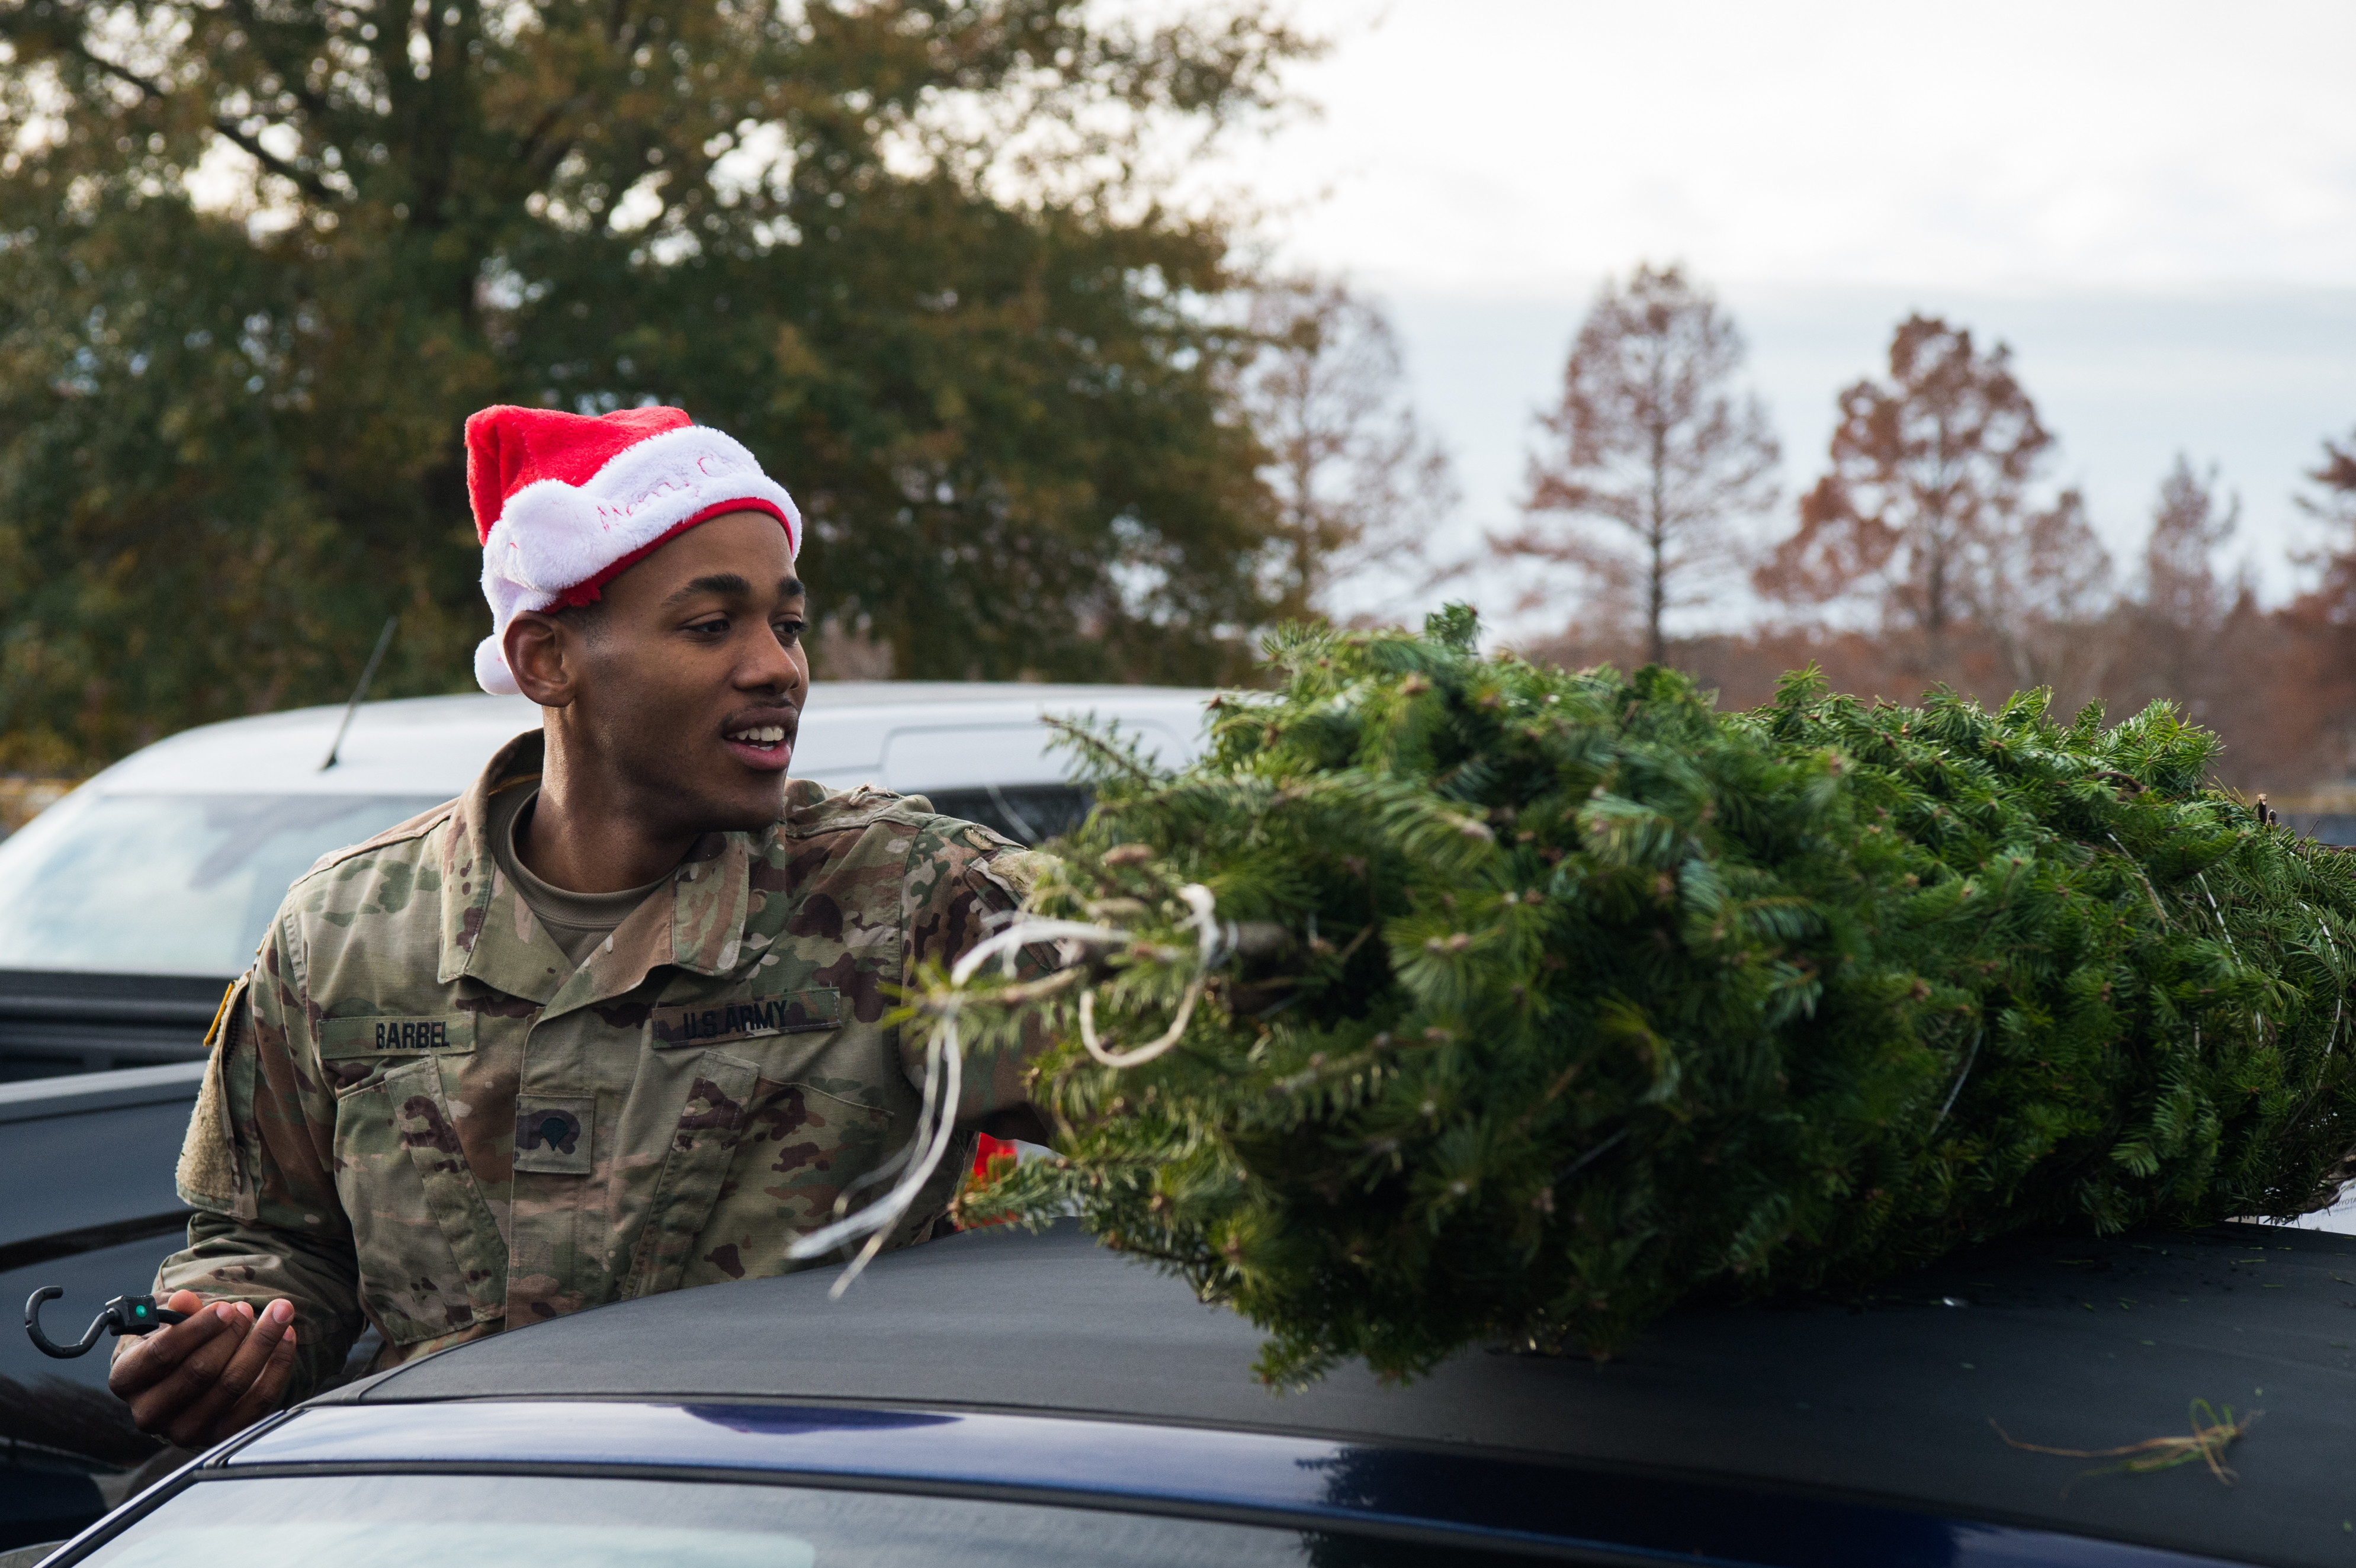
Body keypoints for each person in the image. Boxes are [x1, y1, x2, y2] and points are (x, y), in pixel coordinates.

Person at [109, 406, 1052, 1449]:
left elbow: (1185, 1063)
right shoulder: (345, 932)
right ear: (549, 659)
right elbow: (267, 1239)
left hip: (795, 1516)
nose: (778, 667)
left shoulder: (910, 900)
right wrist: (232, 1334)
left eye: (786, 624)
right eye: (712, 626)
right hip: (463, 1516)